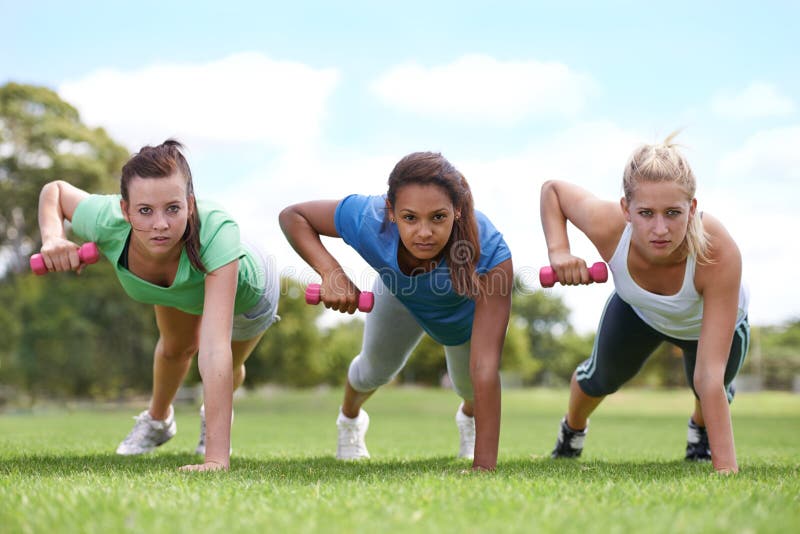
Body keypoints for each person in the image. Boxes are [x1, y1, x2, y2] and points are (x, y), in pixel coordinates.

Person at [36, 140, 279, 471]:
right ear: (125, 210)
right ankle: (158, 420)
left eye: (173, 208)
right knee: (173, 351)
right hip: (180, 290)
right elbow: (56, 191)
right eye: (145, 211)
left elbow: (213, 348)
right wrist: (52, 237)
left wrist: (216, 461)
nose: (160, 224)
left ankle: (215, 418)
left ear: (190, 205)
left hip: (247, 293)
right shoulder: (108, 220)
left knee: (224, 362)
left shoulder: (217, 231)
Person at [279, 152, 513, 470]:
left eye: (438, 217)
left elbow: (486, 367)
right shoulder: (367, 217)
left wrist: (483, 469)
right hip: (398, 294)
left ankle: (469, 420)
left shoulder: (491, 252)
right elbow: (294, 216)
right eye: (410, 218)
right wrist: (332, 274)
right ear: (390, 211)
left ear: (457, 211)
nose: (424, 232)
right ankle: (349, 421)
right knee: (373, 371)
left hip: (461, 317)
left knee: (471, 384)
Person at [540, 134, 749, 474]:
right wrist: (559, 252)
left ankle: (701, 434)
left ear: (692, 209)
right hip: (639, 312)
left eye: (673, 213)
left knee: (710, 385)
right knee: (598, 379)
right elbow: (553, 190)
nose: (660, 229)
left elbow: (709, 375)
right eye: (646, 213)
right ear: (626, 209)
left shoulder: (718, 252)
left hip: (705, 323)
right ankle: (572, 432)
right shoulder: (608, 224)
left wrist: (726, 473)